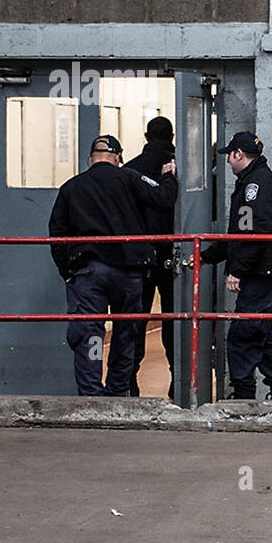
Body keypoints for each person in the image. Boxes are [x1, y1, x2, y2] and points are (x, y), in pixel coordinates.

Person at [48, 134, 177, 396]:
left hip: (88, 273)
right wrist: (168, 176)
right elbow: (163, 198)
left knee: (91, 335)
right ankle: (118, 392)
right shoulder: (129, 177)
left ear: (90, 158)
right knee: (124, 334)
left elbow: (57, 233)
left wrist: (68, 271)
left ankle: (93, 396)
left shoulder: (72, 187)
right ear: (118, 157)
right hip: (128, 273)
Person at [200, 131, 272, 400]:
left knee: (244, 334)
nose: (228, 163)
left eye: (230, 157)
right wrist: (206, 257)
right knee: (270, 333)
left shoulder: (254, 185)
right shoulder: (257, 180)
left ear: (238, 154)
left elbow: (253, 234)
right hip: (269, 270)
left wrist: (237, 271)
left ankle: (243, 396)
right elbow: (241, 235)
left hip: (260, 272)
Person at [124, 116, 177, 398]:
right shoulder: (189, 170)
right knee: (173, 318)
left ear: (146, 137)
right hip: (173, 256)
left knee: (136, 319)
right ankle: (177, 379)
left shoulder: (130, 169)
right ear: (172, 137)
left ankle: (129, 380)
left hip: (140, 257)